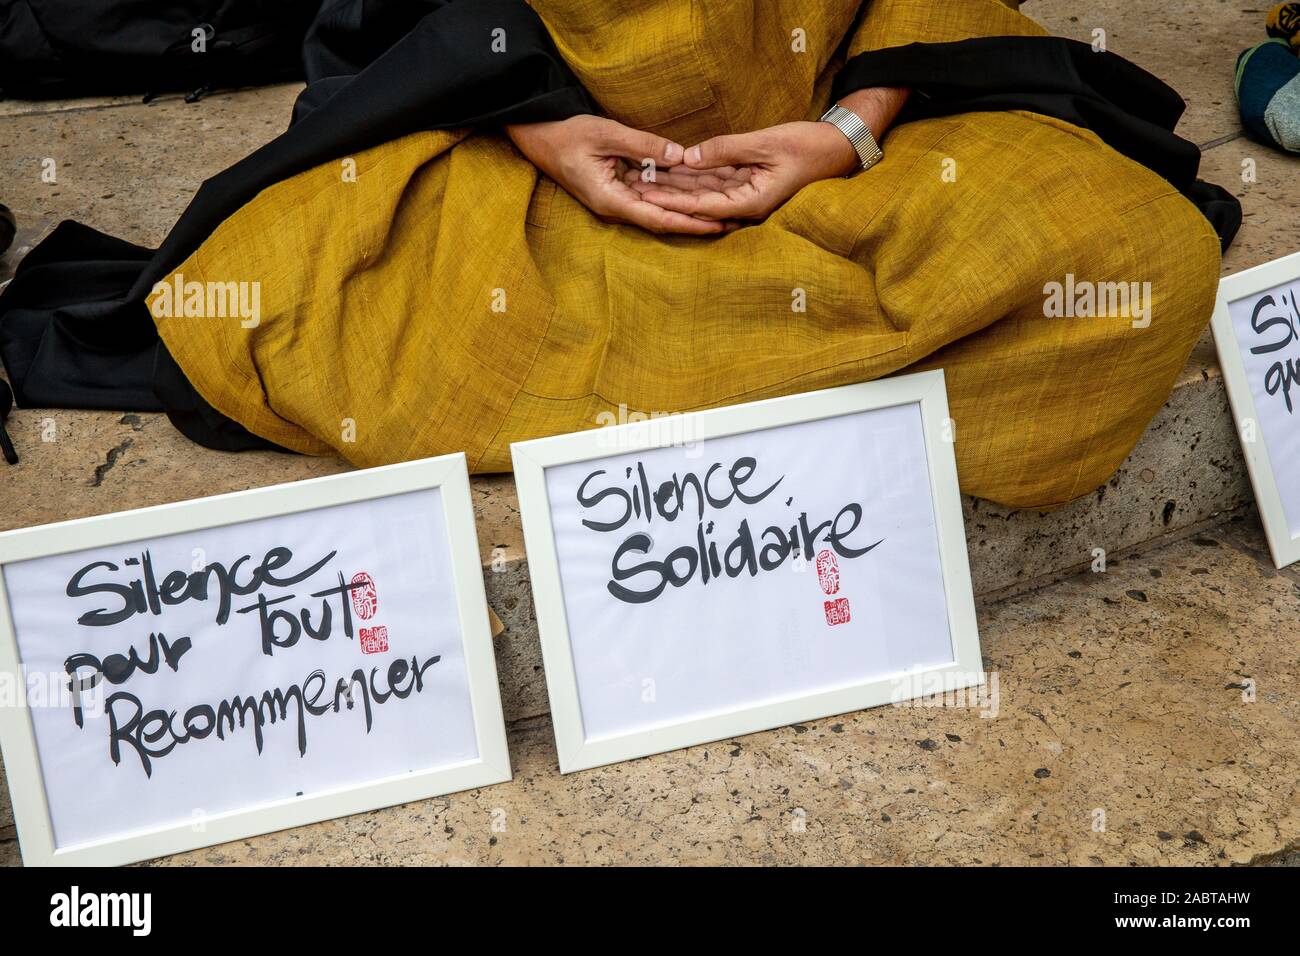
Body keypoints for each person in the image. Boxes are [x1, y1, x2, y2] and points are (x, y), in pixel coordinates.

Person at [0, 0, 1239, 509]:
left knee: (1138, 257)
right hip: (534, 168)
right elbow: (385, 22)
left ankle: (707, 368)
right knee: (293, 287)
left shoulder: (850, 135)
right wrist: (542, 128)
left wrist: (846, 132)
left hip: (844, 152)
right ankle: (787, 368)